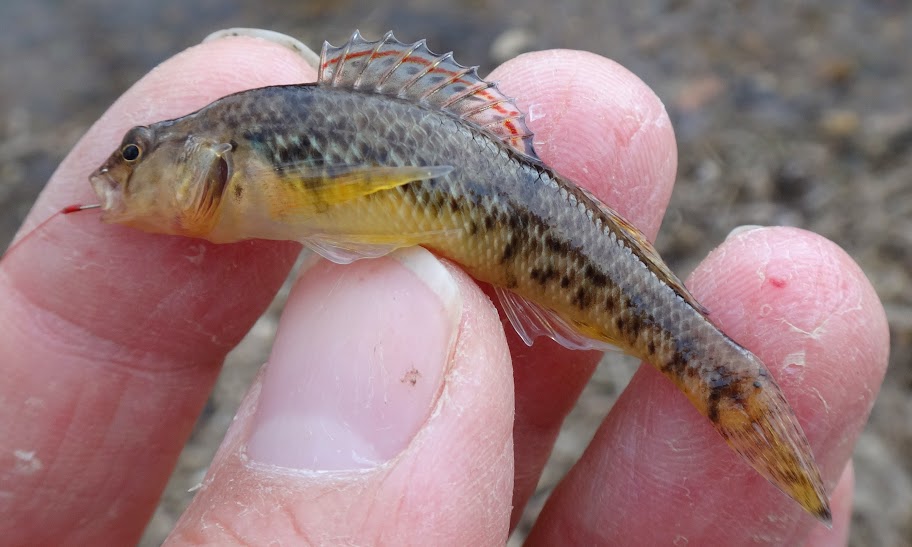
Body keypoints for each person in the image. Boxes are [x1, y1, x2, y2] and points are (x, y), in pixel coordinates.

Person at [0, 31, 888, 545]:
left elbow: (356, 207)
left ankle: (718, 374)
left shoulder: (250, 142)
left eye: (135, 157)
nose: (114, 177)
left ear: (210, 161)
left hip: (515, 220)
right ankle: (724, 381)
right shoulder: (244, 145)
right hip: (508, 210)